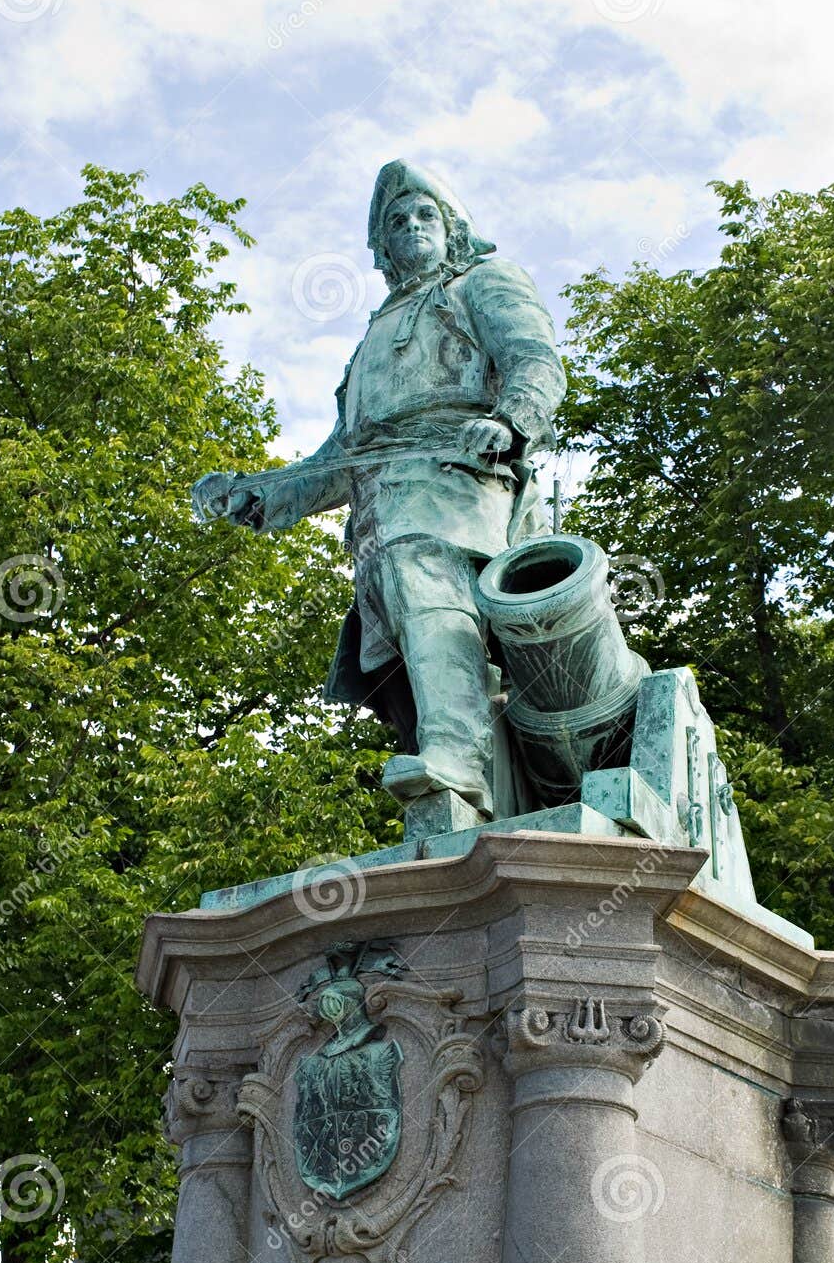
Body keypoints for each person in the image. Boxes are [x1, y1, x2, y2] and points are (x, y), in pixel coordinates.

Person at [192, 159, 565, 818]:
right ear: (381, 246)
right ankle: (457, 773)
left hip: (457, 484)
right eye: (397, 220)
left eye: (427, 215)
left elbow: (535, 359)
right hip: (378, 517)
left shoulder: (482, 283)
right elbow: (339, 460)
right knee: (404, 629)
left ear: (452, 231)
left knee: (424, 571)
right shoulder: (370, 342)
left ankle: (459, 759)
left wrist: (510, 423)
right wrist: (253, 495)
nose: (412, 226)